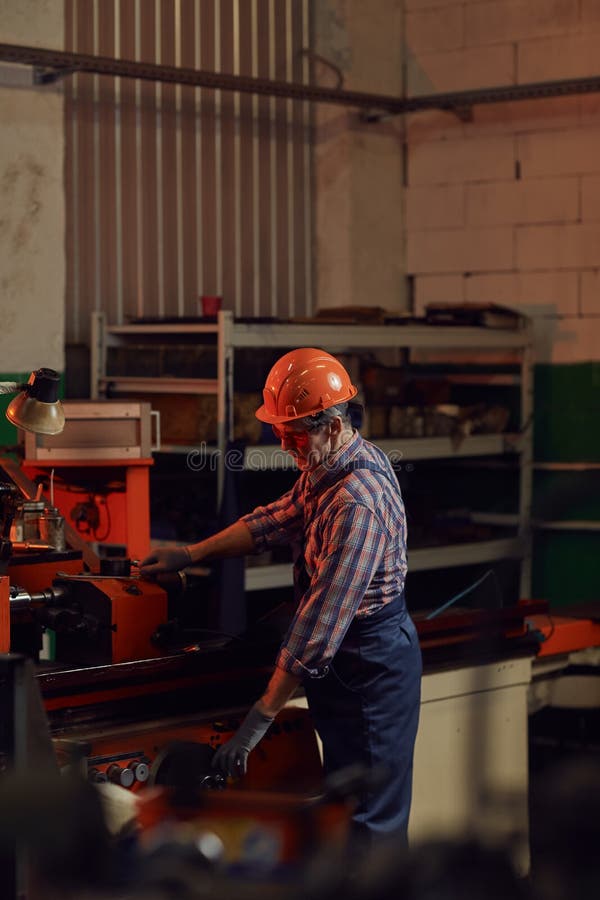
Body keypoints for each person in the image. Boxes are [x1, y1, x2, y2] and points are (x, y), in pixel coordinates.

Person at [140, 348, 422, 848]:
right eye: (279, 431)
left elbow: (317, 628)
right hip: (345, 662)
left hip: (370, 667)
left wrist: (256, 724)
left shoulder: (357, 502)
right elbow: (275, 519)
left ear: (333, 425)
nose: (284, 444)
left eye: (294, 434)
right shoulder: (329, 464)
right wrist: (189, 553)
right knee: (343, 810)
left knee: (369, 822)